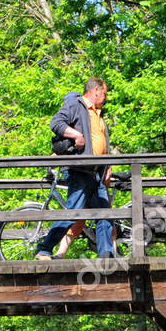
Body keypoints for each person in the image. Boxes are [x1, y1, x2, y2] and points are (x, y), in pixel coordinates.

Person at [38, 78, 114, 260]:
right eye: (104, 93)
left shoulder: (97, 113)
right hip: (80, 172)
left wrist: (108, 164)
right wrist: (75, 134)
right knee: (73, 213)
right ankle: (44, 248)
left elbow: (102, 141)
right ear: (95, 90)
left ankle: (105, 256)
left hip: (97, 172)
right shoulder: (76, 105)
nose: (105, 97)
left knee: (105, 213)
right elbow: (56, 123)